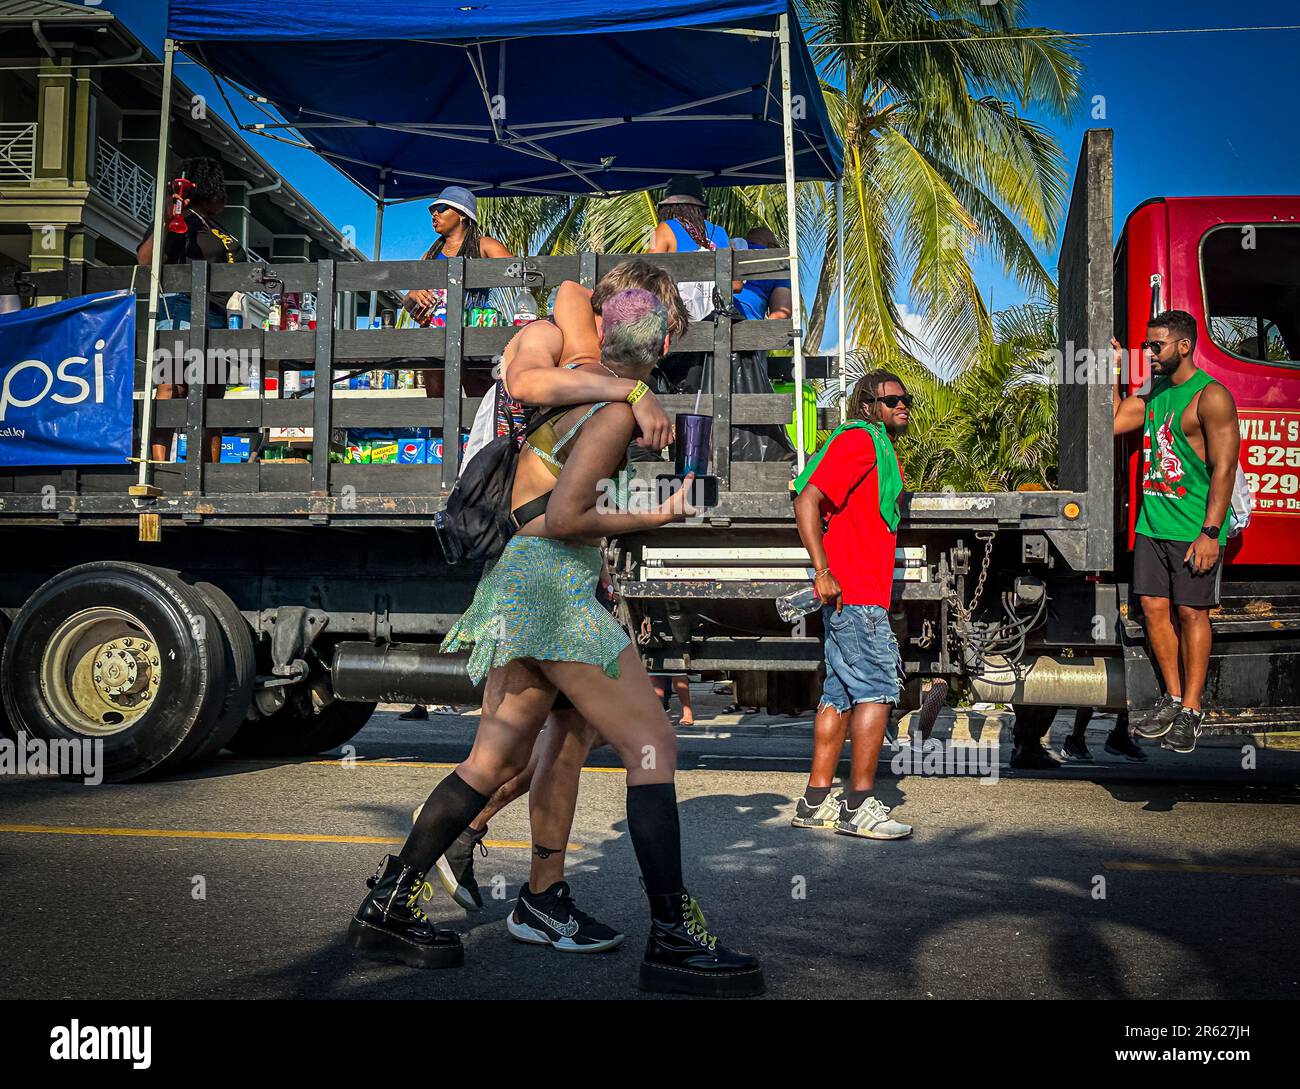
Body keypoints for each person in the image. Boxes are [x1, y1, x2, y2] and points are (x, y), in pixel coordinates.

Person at [348, 289, 763, 996]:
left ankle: (387, 904)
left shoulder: (572, 402)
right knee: (650, 742)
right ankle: (673, 937)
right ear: (658, 351)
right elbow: (570, 516)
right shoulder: (612, 411)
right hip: (553, 593)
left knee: (488, 761)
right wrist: (659, 513)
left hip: (519, 584)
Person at [789, 370, 913, 841]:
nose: (902, 406)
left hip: (853, 595)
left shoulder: (871, 444)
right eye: (891, 399)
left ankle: (815, 801)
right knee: (877, 690)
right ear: (867, 405)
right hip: (856, 594)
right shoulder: (861, 441)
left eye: (906, 400)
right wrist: (822, 570)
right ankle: (858, 804)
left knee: (839, 696)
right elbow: (807, 499)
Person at [1112, 310, 1240, 754]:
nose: (1150, 353)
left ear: (1184, 345)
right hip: (1151, 525)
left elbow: (1224, 469)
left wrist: (1210, 532)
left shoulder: (1212, 397)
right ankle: (1171, 697)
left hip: (1192, 529)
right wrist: (1117, 375)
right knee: (1152, 609)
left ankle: (1191, 708)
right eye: (1147, 346)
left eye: (1156, 345)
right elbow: (1112, 421)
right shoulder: (1156, 392)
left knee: (1192, 615)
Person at [137, 157, 247, 463]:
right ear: (209, 190)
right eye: (220, 190)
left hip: (219, 313)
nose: (224, 198)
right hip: (181, 307)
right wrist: (168, 215)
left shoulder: (217, 227)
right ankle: (157, 465)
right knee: (171, 384)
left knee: (212, 391)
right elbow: (145, 259)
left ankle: (208, 470)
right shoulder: (179, 220)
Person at [404, 185, 512, 400]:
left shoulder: (484, 245)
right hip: (436, 339)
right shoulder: (431, 254)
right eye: (432, 210)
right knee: (437, 405)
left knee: (480, 401)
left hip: (474, 338)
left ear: (462, 214)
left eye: (442, 208)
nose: (435, 213)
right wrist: (413, 296)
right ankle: (438, 435)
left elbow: (519, 274)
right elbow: (408, 300)